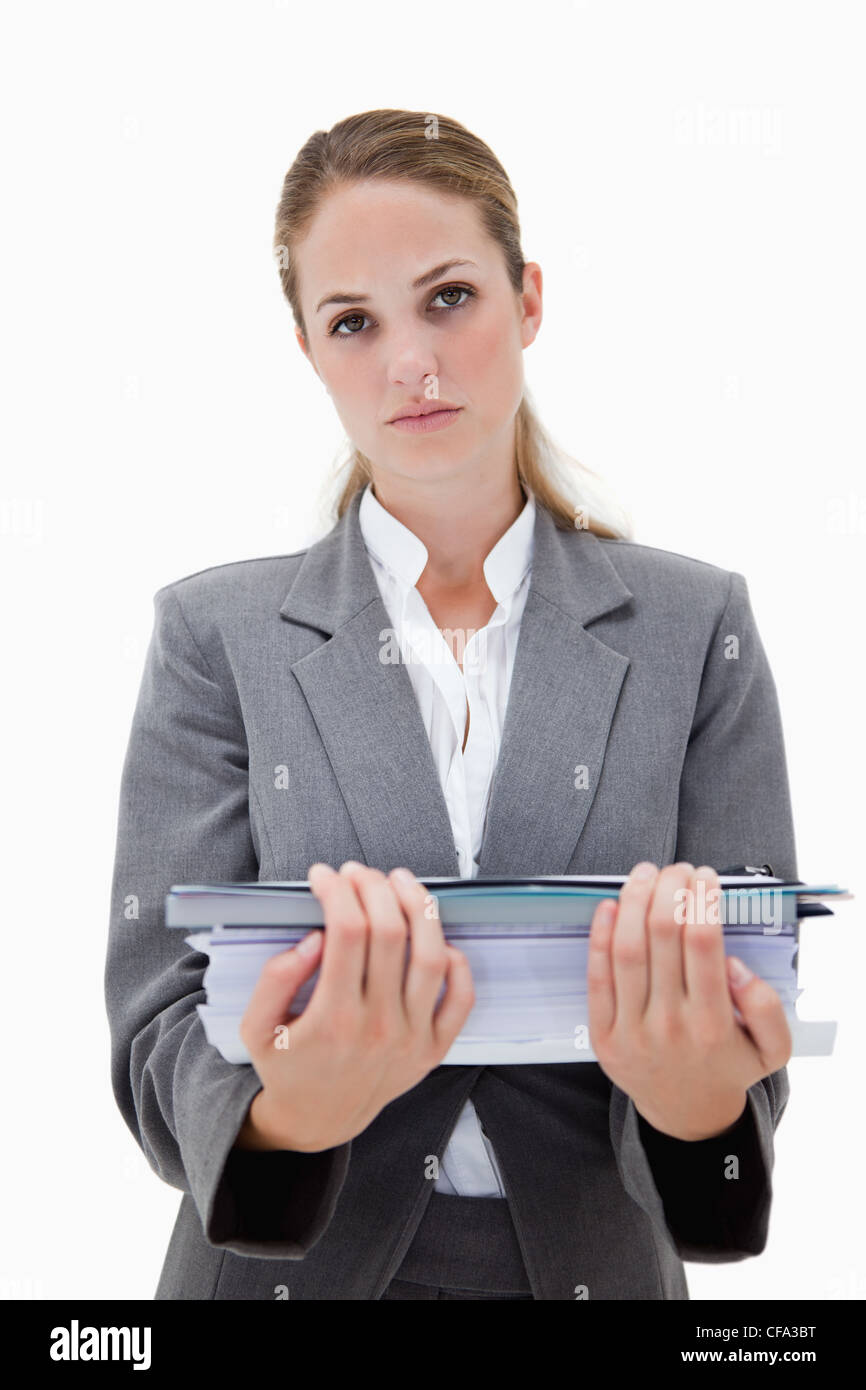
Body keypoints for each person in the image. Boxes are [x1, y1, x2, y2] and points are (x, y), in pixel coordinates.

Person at [105, 109, 798, 1301]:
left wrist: (701, 1109)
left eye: (447, 298)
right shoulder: (213, 637)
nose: (408, 363)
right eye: (353, 322)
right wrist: (288, 1113)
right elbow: (157, 1017)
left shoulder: (696, 627)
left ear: (527, 300)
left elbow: (751, 994)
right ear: (308, 350)